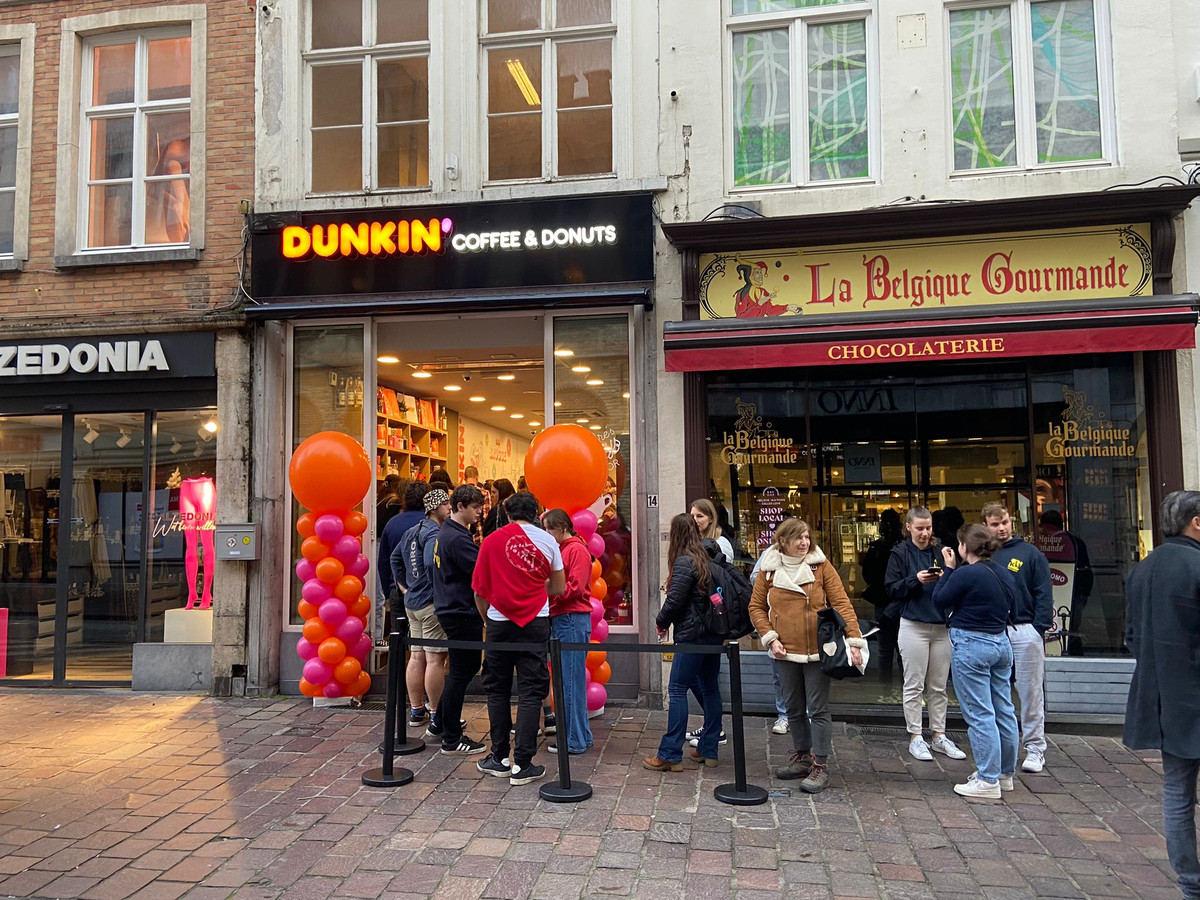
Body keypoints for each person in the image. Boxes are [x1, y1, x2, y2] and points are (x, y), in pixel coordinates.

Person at [748, 517, 866, 793]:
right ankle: (802, 756)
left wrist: (855, 640)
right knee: (793, 708)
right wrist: (770, 638)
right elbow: (755, 607)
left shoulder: (821, 565)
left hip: (817, 650)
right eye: (798, 538)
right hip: (783, 649)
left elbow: (841, 603)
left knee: (818, 708)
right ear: (783, 541)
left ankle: (820, 765)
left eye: (806, 537)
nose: (804, 542)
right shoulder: (768, 570)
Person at [1123, 490, 1200, 900]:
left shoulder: (1141, 570)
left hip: (1166, 699)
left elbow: (1132, 638)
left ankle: (1190, 884)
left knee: (1177, 795)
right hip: (1191, 692)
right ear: (1196, 522)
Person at [472, 492, 565, 786]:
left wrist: (488, 618)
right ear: (537, 513)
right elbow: (559, 586)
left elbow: (478, 590)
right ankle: (522, 763)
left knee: (496, 689)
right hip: (535, 621)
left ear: (508, 514)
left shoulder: (492, 541)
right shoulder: (548, 541)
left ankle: (498, 757)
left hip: (499, 622)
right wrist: (535, 589)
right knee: (531, 691)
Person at [932, 523, 1020, 800]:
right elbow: (1015, 608)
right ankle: (1005, 774)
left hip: (972, 644)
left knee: (980, 713)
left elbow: (940, 599)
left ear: (963, 547)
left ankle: (987, 779)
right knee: (1004, 709)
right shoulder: (1003, 573)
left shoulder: (966, 573)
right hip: (1001, 643)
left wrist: (948, 569)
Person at [644, 514, 725, 773]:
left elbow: (675, 602)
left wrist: (660, 622)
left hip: (691, 636)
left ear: (676, 534)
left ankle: (670, 754)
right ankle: (708, 749)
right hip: (712, 634)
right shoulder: (706, 558)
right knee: (710, 688)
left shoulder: (683, 562)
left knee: (677, 689)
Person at [885, 507, 966, 762]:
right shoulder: (899, 553)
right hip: (913, 624)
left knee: (939, 686)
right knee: (914, 684)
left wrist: (949, 570)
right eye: (919, 528)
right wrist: (915, 580)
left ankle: (939, 735)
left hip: (941, 625)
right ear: (908, 527)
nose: (925, 533)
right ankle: (915, 737)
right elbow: (890, 589)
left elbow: (957, 586)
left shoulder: (941, 550)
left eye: (928, 527)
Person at [983, 501, 1053, 774]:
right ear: (985, 526)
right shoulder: (983, 555)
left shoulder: (1031, 554)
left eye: (1004, 523)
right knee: (995, 692)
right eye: (994, 524)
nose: (1001, 529)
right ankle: (1002, 744)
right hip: (993, 628)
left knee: (1030, 691)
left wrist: (1039, 628)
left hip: (1025, 629)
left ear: (1011, 522)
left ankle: (1035, 748)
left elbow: (1044, 592)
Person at [430, 484, 487, 755]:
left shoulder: (449, 532)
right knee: (462, 672)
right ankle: (451, 737)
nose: (479, 512)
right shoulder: (456, 537)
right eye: (475, 507)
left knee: (460, 671)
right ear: (460, 506)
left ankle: (440, 722)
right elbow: (478, 571)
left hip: (451, 608)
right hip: (461, 610)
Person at [391, 487, 450, 729]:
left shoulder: (410, 531)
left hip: (412, 602)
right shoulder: (434, 532)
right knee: (434, 659)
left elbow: (394, 558)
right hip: (429, 603)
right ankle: (436, 712)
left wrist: (405, 585)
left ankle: (416, 709)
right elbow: (429, 561)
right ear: (435, 507)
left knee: (416, 656)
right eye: (446, 503)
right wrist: (437, 589)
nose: (449, 507)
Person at [541, 509, 594, 755]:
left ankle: (574, 740)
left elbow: (574, 587)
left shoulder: (575, 550)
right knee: (572, 682)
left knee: (570, 683)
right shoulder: (571, 549)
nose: (547, 534)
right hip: (568, 617)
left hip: (570, 617)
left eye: (549, 529)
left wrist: (547, 593)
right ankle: (581, 735)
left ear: (561, 527)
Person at [375, 481, 428, 644]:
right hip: (425, 592)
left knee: (398, 638)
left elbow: (383, 561)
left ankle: (396, 669)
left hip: (396, 589)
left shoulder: (393, 523)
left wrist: (389, 588)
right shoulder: (430, 523)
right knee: (424, 642)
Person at [1034, 509, 1093, 655]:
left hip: (1070, 594)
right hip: (1077, 593)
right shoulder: (1076, 542)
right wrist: (1084, 594)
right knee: (1072, 626)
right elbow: (1086, 572)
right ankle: (1072, 652)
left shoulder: (1037, 543)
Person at [861, 508, 903, 680]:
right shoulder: (904, 548)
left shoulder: (876, 548)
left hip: (882, 600)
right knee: (903, 650)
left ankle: (884, 687)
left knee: (884, 650)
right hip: (902, 600)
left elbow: (867, 575)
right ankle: (905, 684)